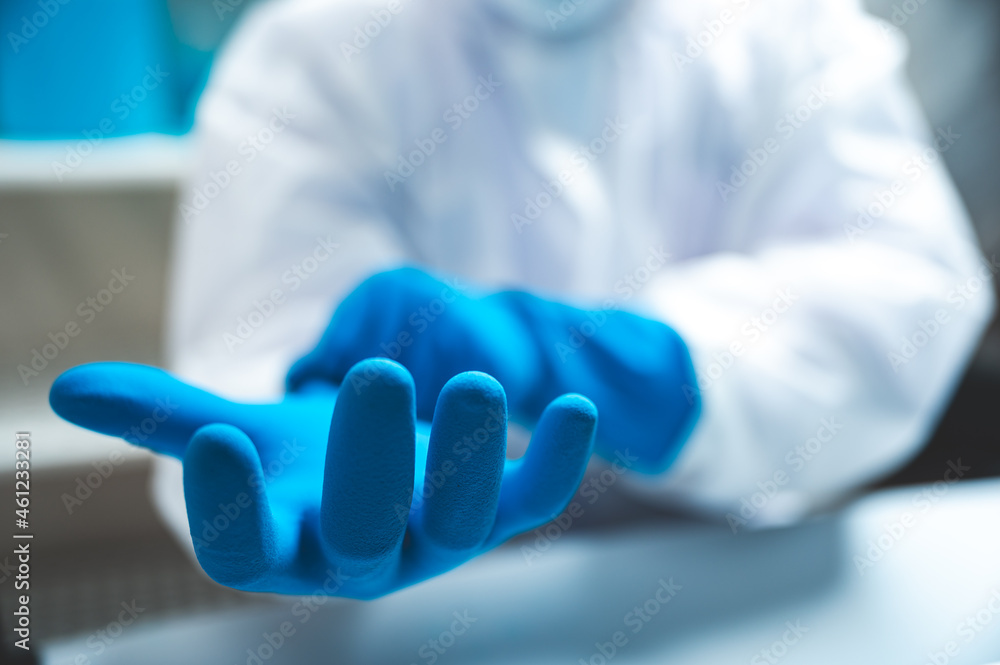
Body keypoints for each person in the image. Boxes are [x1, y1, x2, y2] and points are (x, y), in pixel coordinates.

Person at [52, 0, 993, 596]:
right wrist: (309, 411)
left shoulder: (792, 29)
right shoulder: (310, 46)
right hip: (427, 618)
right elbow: (259, 344)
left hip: (743, 582)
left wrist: (591, 359)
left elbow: (906, 294)